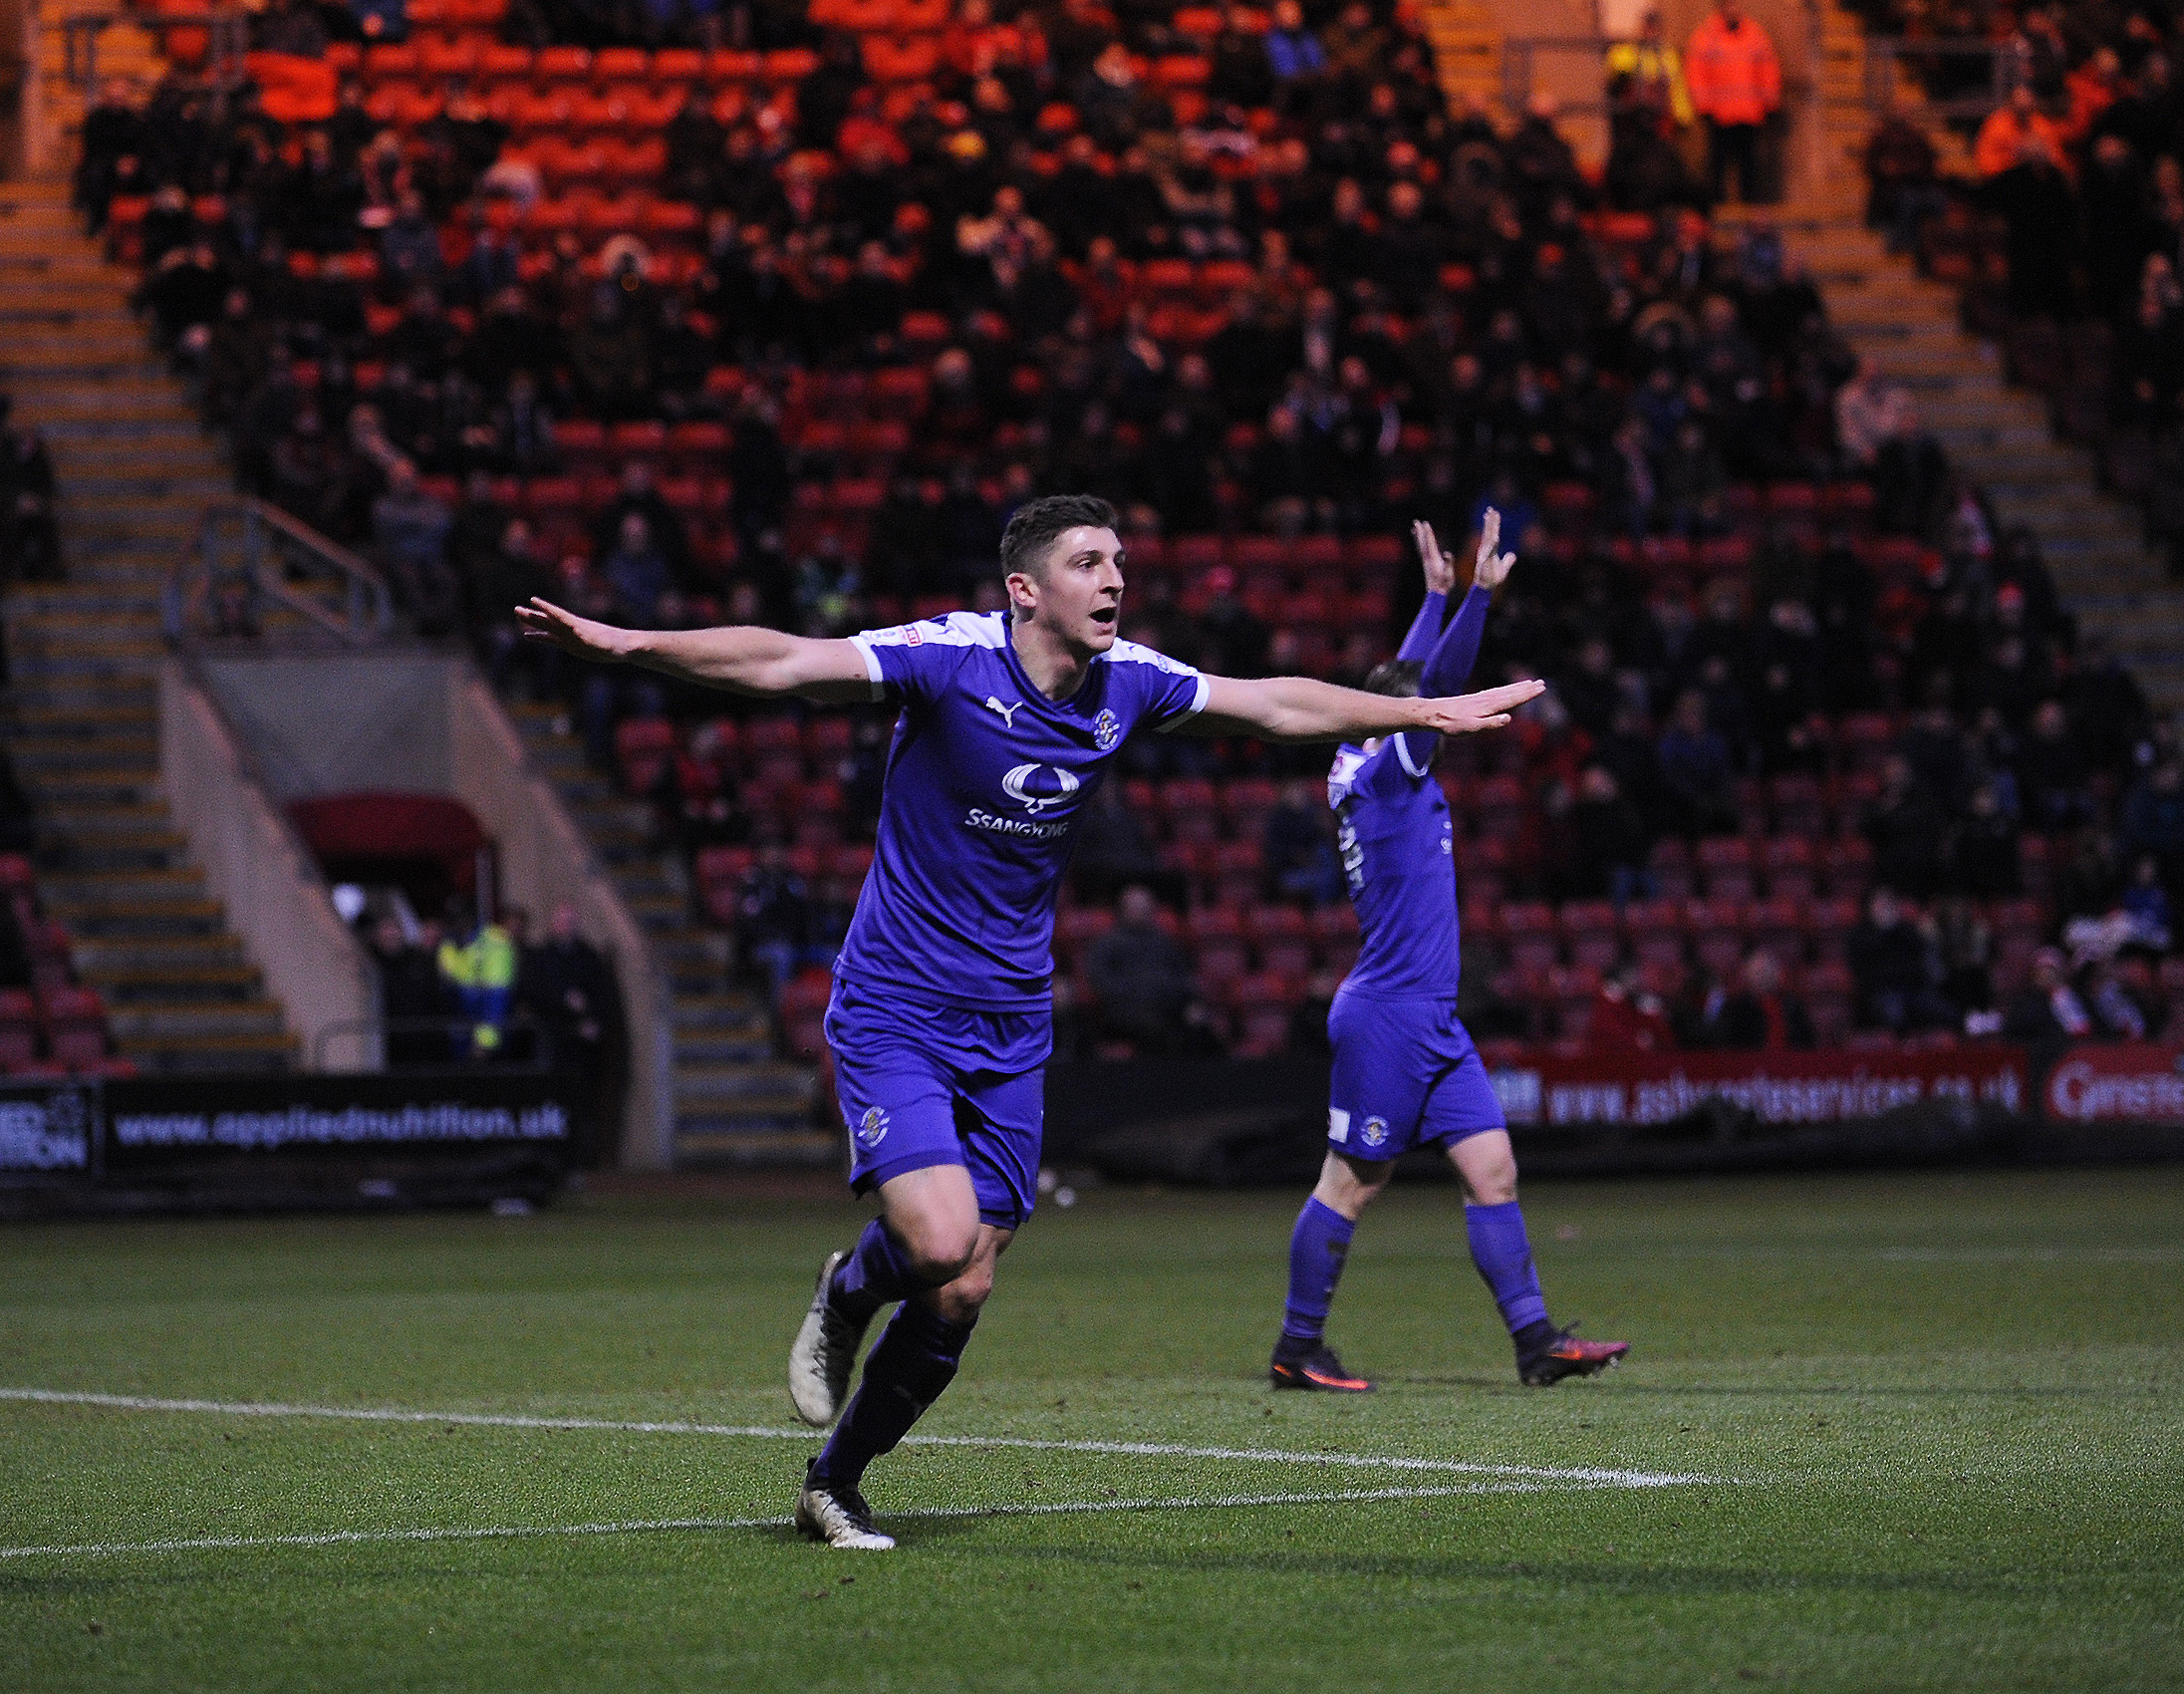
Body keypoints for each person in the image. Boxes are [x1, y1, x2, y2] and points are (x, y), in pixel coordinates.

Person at [517, 493, 1544, 1550]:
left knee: (963, 1283)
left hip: (1011, 1026)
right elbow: (781, 660)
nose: (1113, 580)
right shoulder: (948, 658)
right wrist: (628, 640)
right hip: (898, 1006)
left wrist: (1416, 711)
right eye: (1087, 562)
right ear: (1024, 589)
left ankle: (834, 1480)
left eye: (1119, 562)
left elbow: (1272, 704)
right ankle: (848, 1286)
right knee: (938, 1239)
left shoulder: (1127, 683)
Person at [1266, 513, 1629, 1396]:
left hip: (1430, 1018)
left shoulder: (1359, 760)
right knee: (1350, 1185)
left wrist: (1433, 598)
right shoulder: (1393, 772)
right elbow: (1435, 687)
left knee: (1492, 1170)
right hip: (1389, 1018)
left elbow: (1403, 683)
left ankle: (1536, 1341)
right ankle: (1296, 1348)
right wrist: (1476, 601)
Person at [1685, 0, 1778, 206]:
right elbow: (1696, 72)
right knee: (1717, 163)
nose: (1734, 9)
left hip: (1749, 112)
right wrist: (1704, 105)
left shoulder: (1755, 34)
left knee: (1749, 164)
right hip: (1720, 113)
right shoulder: (1706, 36)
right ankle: (1716, 203)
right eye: (1729, 5)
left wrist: (1770, 101)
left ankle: (1750, 204)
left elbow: (1767, 68)